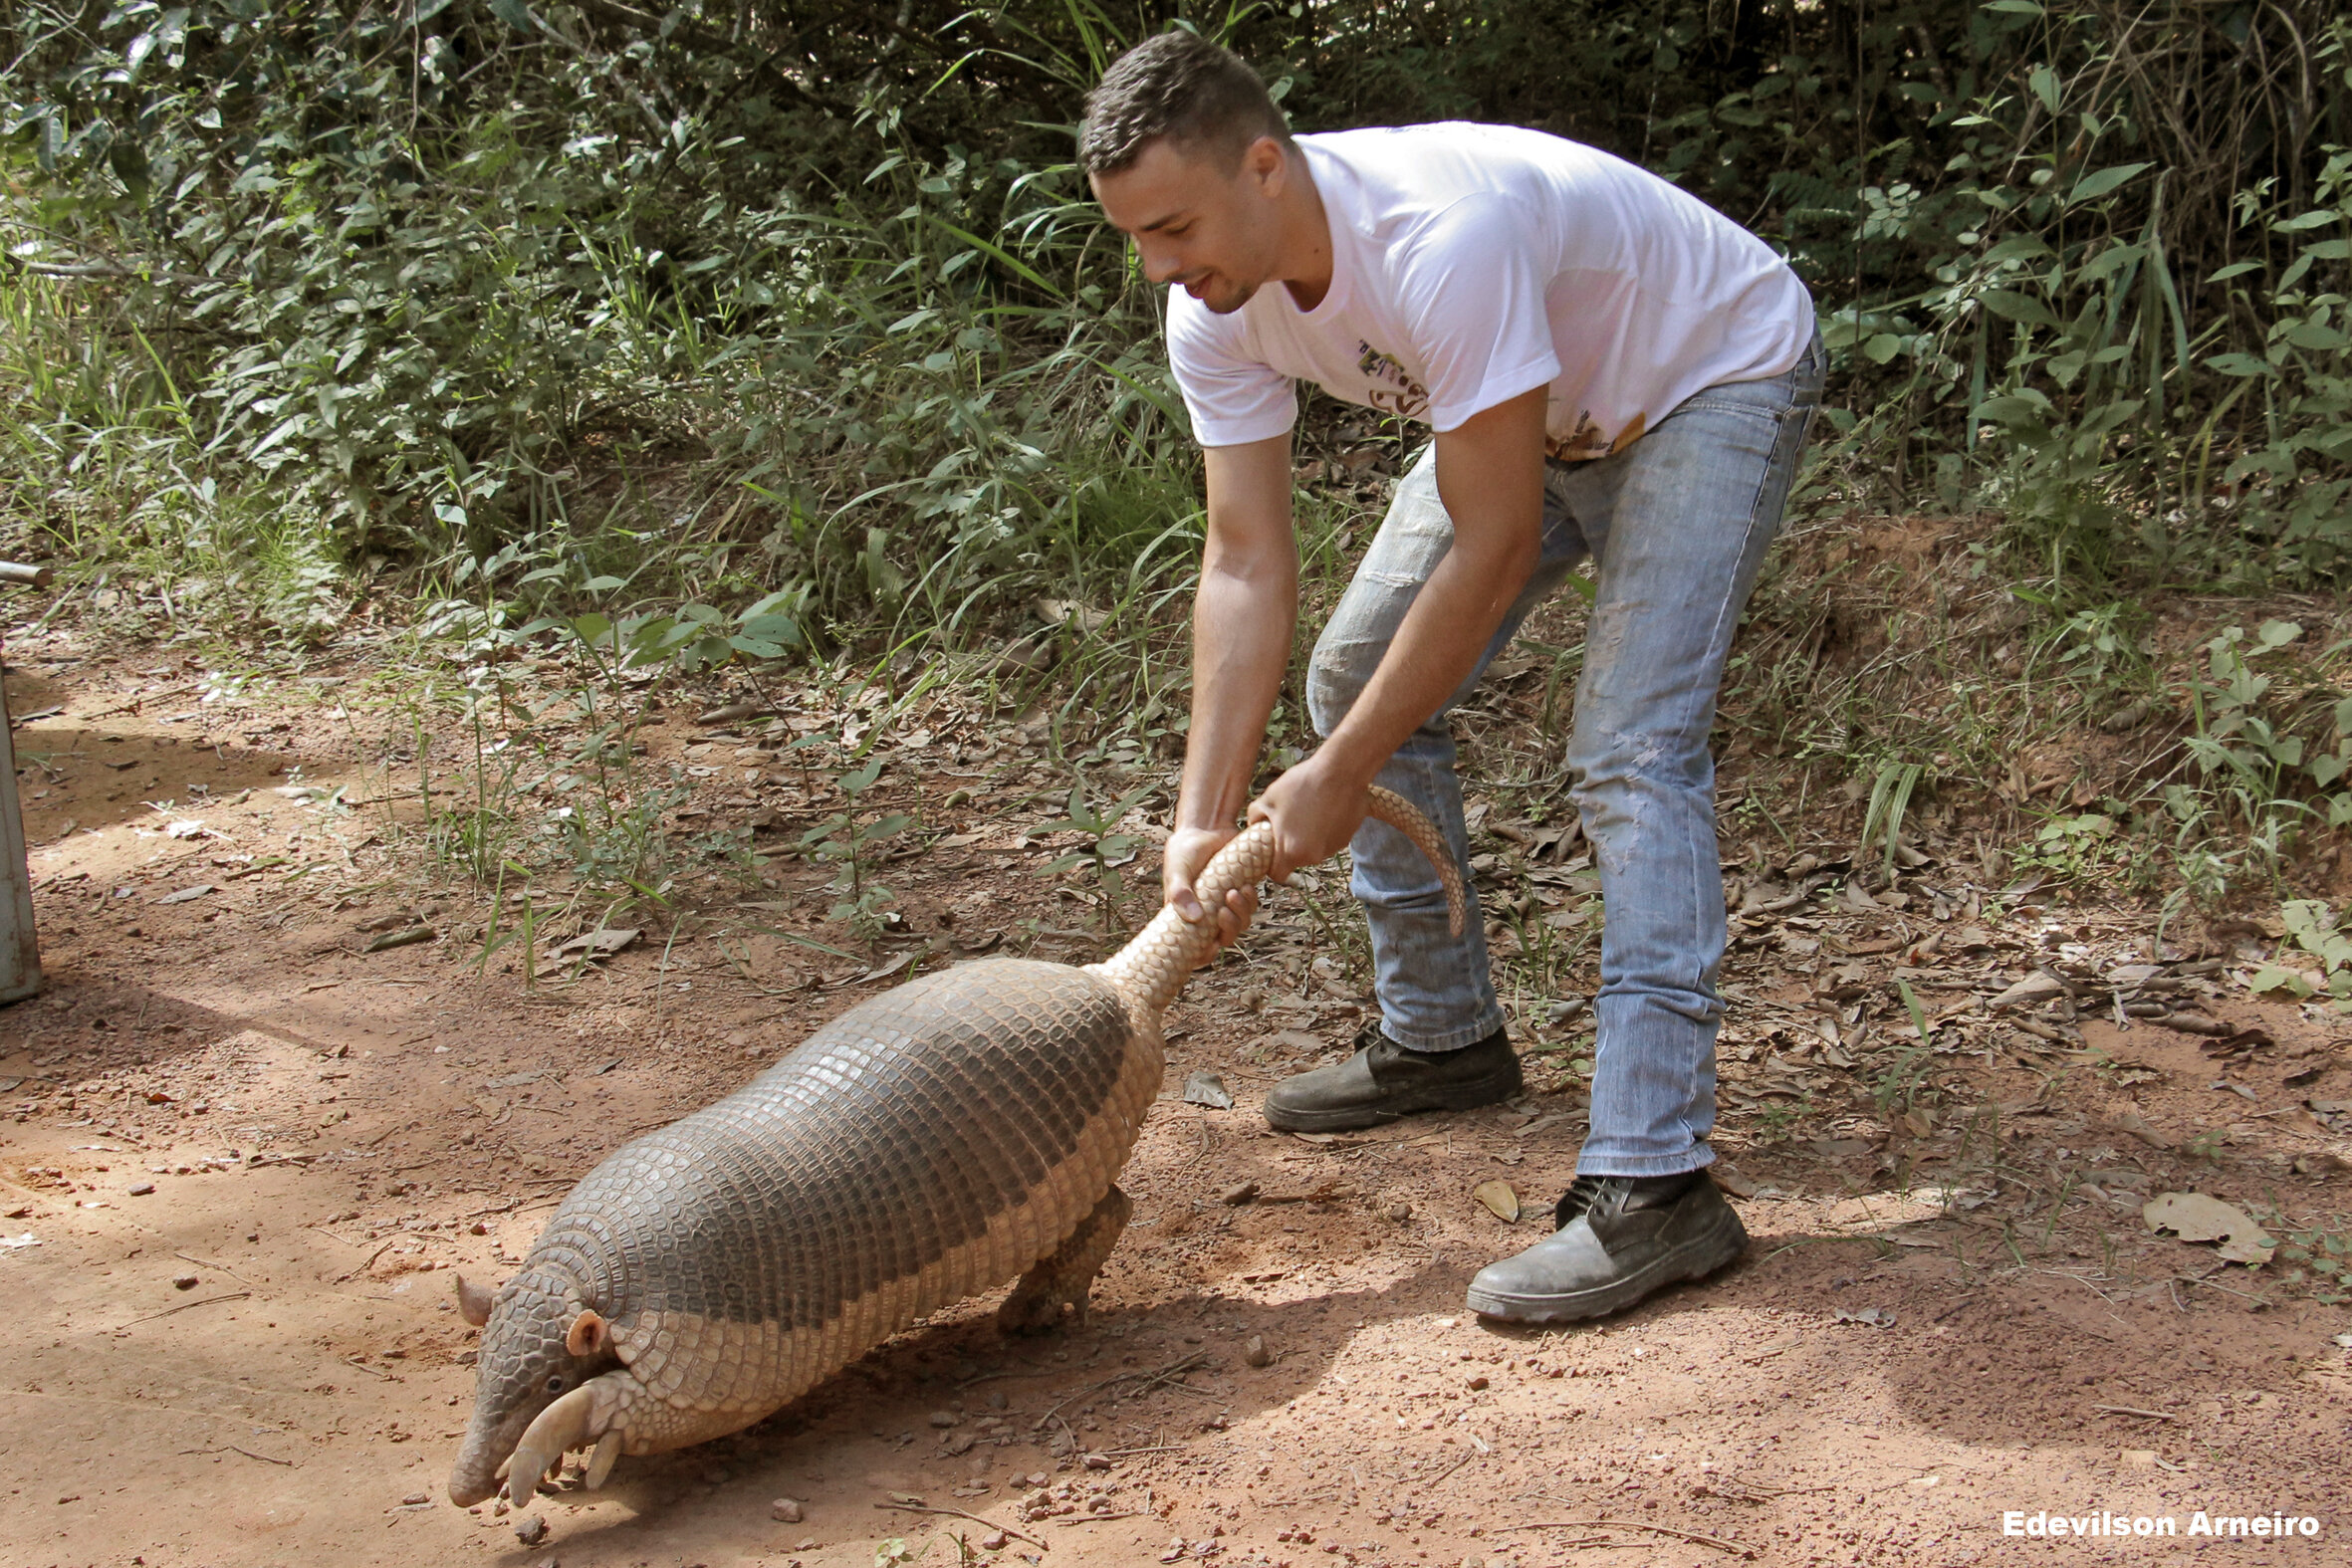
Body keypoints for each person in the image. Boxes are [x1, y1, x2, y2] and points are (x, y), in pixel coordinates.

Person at [1079, 32, 1821, 1323]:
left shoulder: (1438, 239)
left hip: (1704, 378)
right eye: (1136, 238)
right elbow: (1245, 561)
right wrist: (1205, 812)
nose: (1159, 266)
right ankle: (1442, 1036)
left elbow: (1492, 543)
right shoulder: (1213, 306)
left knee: (1630, 748)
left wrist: (1341, 775)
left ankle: (1658, 1188)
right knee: (1349, 675)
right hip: (1538, 416)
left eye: (1174, 226)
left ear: (1264, 167)